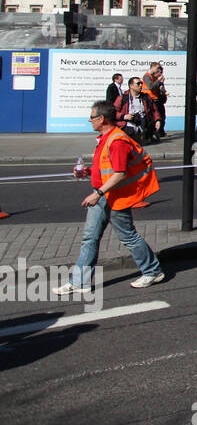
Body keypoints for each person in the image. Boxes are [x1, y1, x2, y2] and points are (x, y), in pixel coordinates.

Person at [55, 100, 166, 296]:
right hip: (103, 194)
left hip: (114, 196)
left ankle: (153, 271)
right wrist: (87, 172)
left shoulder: (117, 141)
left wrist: (96, 194)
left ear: (101, 119)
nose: (89, 120)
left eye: (91, 117)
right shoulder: (106, 138)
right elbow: (107, 170)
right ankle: (79, 282)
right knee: (90, 238)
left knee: (127, 235)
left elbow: (120, 173)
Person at [114, 76, 160, 144]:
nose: (141, 85)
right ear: (131, 85)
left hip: (144, 125)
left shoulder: (146, 97)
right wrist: (124, 116)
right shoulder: (122, 99)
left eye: (141, 83)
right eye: (138, 83)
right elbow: (112, 112)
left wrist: (158, 120)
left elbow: (155, 110)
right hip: (128, 125)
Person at [142, 63, 168, 138]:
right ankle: (154, 133)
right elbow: (150, 87)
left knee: (162, 116)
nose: (158, 72)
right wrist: (158, 81)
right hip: (151, 99)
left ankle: (160, 132)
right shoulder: (147, 76)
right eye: (157, 69)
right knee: (155, 117)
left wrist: (161, 85)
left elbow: (159, 88)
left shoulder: (154, 77)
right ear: (153, 68)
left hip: (157, 99)